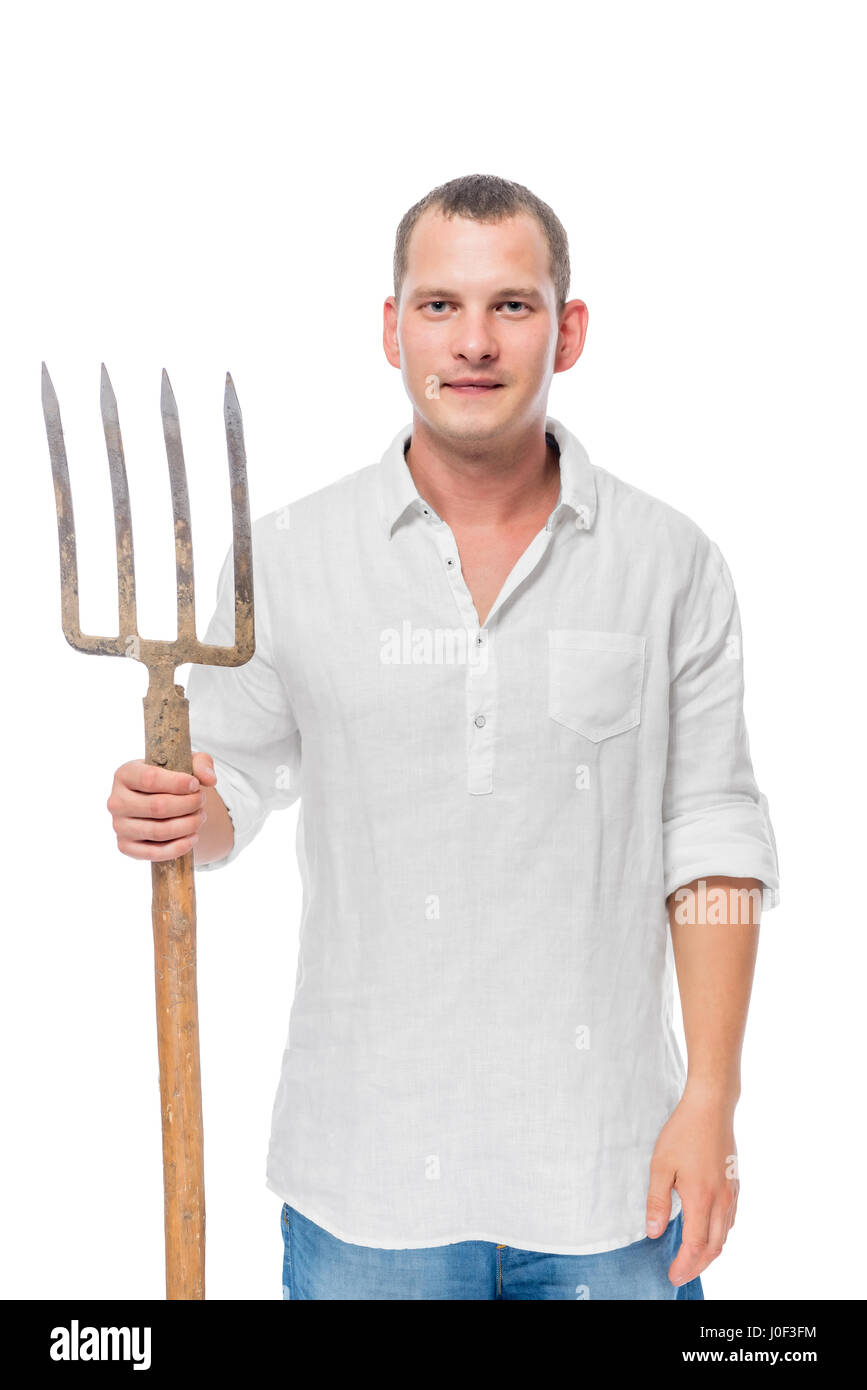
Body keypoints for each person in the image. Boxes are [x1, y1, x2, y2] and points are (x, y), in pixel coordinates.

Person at [106, 174, 780, 1300]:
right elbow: (234, 790)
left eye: (511, 306)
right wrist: (183, 808)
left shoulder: (670, 563)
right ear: (390, 328)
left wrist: (711, 1095)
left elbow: (710, 836)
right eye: (438, 306)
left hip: (613, 1181)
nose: (473, 342)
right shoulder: (289, 560)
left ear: (567, 329)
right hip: (365, 1189)